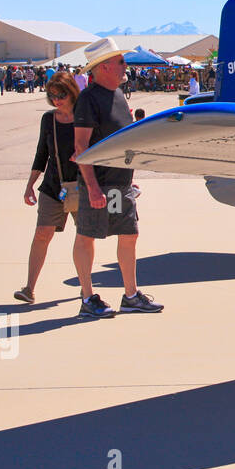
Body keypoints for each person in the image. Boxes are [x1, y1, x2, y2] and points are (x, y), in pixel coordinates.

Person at [71, 38, 163, 318]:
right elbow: (81, 147)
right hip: (98, 185)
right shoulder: (88, 99)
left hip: (119, 185)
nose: (126, 66)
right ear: (105, 67)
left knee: (128, 235)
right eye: (121, 61)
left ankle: (131, 295)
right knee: (88, 236)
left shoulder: (119, 95)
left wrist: (128, 178)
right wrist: (93, 188)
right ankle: (87, 298)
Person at [16, 72, 82, 304]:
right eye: (52, 95)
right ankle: (29, 288)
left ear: (72, 92)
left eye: (61, 95)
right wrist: (30, 185)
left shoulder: (85, 116)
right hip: (53, 187)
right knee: (42, 234)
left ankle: (86, 289)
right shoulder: (49, 119)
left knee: (84, 238)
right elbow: (41, 154)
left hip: (82, 186)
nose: (56, 100)